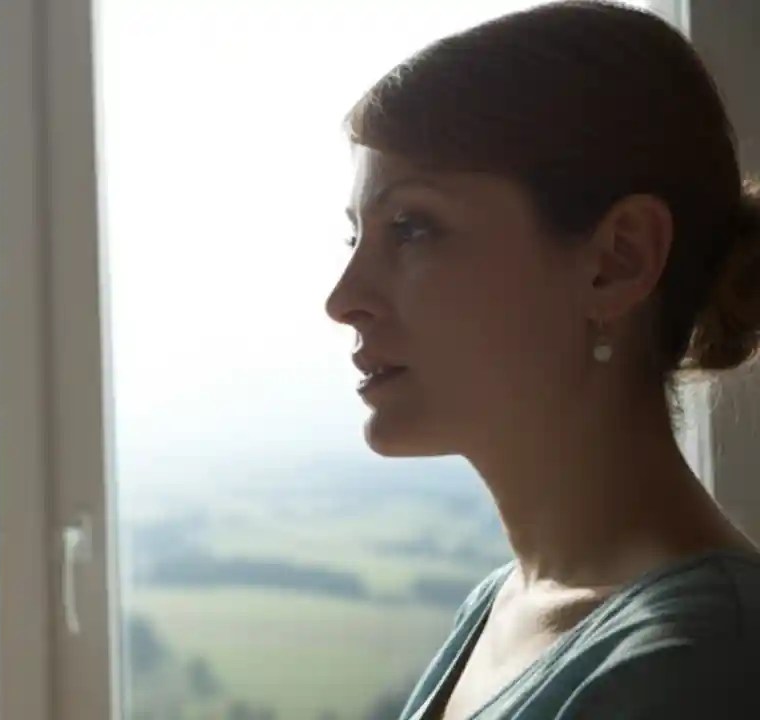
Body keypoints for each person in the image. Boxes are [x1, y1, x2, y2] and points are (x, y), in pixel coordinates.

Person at [325, 2, 760, 718]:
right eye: (355, 238)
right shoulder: (501, 606)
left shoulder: (700, 665)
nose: (344, 299)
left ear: (617, 261)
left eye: (411, 227)